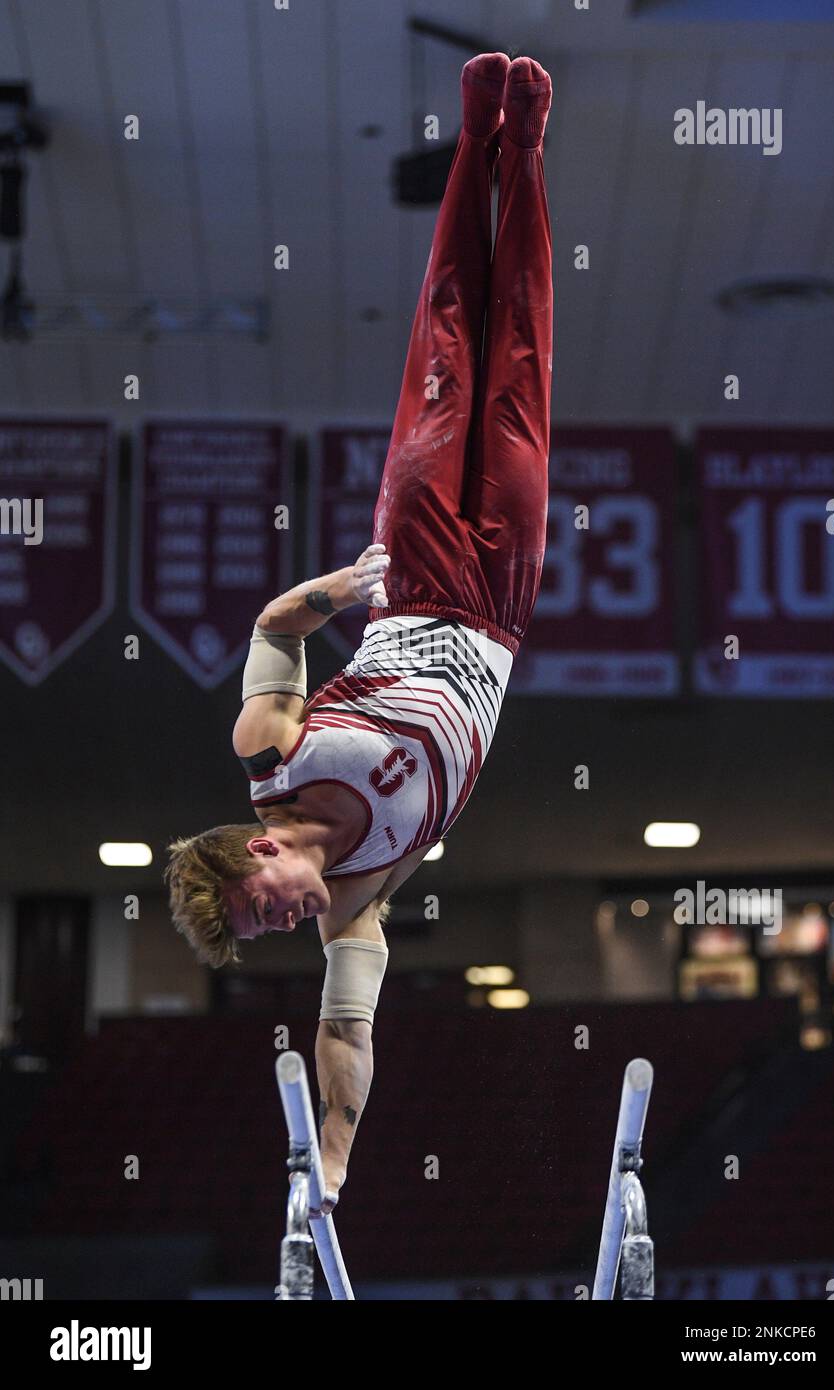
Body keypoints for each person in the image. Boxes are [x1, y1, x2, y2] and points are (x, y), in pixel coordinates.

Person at [167, 52, 553, 1212]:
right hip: (502, 605)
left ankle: (473, 127)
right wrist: (330, 1162)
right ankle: (524, 148)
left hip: (420, 568)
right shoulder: (359, 905)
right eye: (269, 921)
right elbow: (348, 1046)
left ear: (254, 843)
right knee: (522, 364)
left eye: (259, 897)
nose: (282, 915)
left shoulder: (267, 749)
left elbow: (275, 619)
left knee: (449, 337)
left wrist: (342, 584)